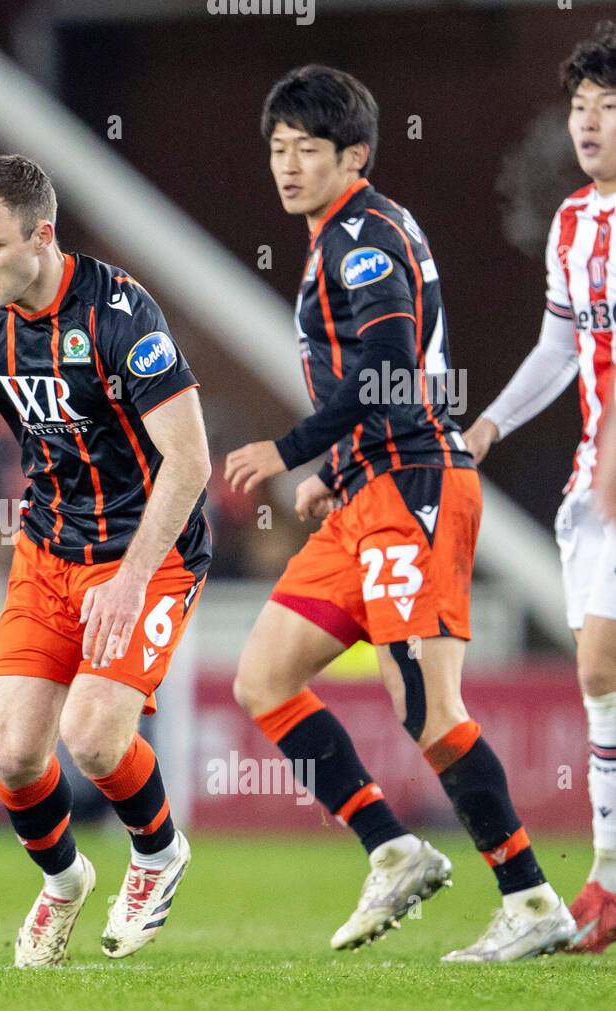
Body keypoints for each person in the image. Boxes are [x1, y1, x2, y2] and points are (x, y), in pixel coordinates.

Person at [224, 66, 574, 962]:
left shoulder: (363, 240)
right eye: (278, 149)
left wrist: (291, 448)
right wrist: (334, 469)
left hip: (412, 486)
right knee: (264, 678)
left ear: (357, 156)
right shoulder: (346, 232)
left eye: (308, 151)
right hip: (368, 487)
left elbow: (385, 370)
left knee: (425, 705)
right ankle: (394, 849)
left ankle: (532, 899)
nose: (288, 167)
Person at [0, 155, 212, 967]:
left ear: (42, 235)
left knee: (93, 737)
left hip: (146, 553)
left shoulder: (121, 316)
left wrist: (131, 581)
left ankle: (161, 855)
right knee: (17, 758)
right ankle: (64, 882)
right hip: (46, 548)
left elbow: (191, 462)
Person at [466, 21, 616, 954]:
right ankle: (604, 879)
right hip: (598, 483)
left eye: (608, 106)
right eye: (579, 107)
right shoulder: (572, 224)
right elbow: (561, 349)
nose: (589, 123)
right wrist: (487, 425)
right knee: (599, 673)